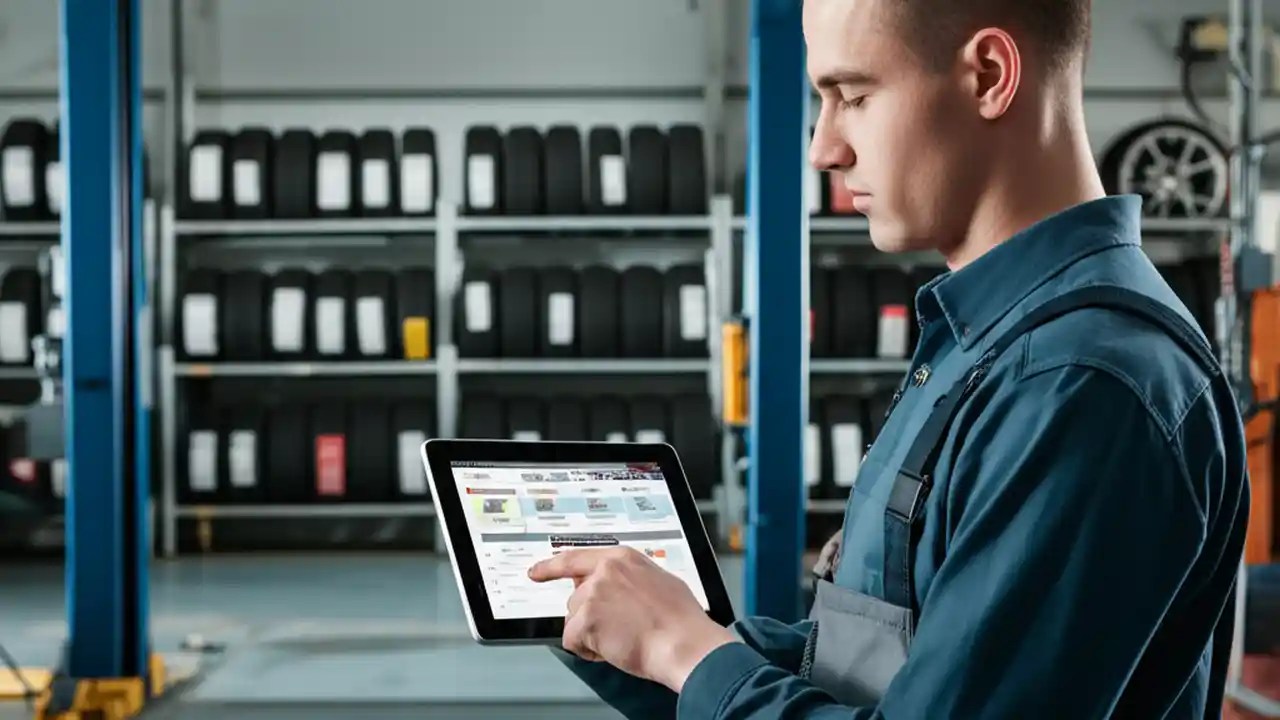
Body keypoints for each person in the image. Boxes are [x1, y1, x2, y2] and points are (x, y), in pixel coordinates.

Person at [527, 0, 1252, 716]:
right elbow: (873, 668)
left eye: (853, 95)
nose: (824, 148)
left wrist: (683, 651)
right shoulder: (989, 343)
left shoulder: (1079, 383)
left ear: (990, 75)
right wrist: (643, 639)